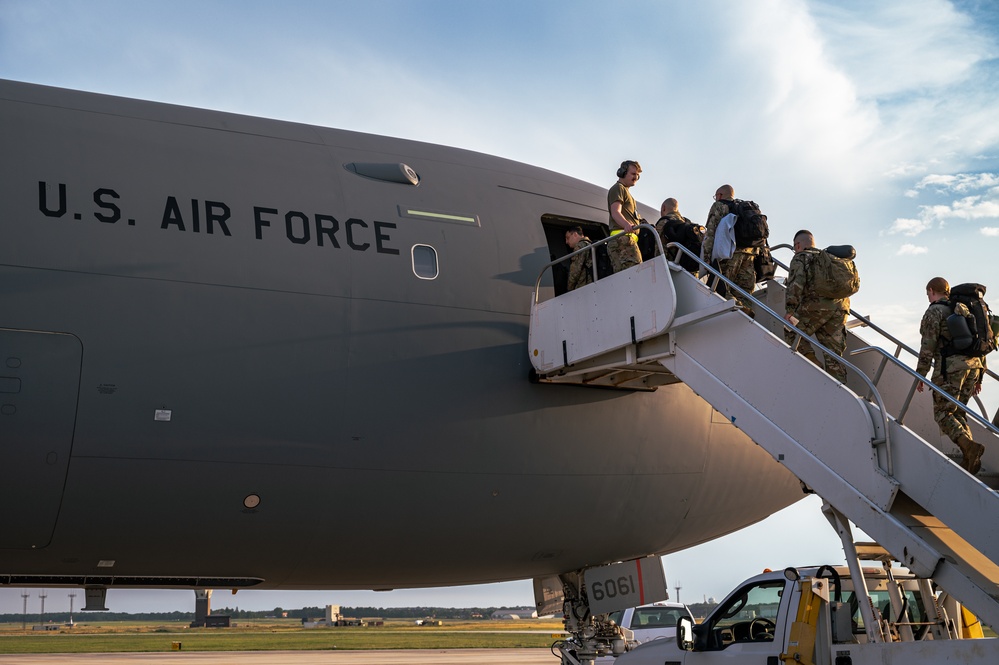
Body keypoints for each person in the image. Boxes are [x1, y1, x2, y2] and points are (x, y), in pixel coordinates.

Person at [915, 277, 986, 474]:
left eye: (927, 293)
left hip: (950, 369)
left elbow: (927, 348)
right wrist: (980, 376)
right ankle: (969, 456)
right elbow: (980, 342)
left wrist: (920, 376)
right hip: (974, 366)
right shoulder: (964, 308)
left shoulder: (934, 311)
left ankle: (969, 448)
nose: (928, 297)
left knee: (943, 413)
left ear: (931, 290)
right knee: (958, 412)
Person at [783, 230, 848, 383]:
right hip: (841, 307)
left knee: (791, 331)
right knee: (833, 354)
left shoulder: (801, 258)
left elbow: (796, 284)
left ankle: (814, 366)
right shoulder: (829, 258)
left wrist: (790, 310)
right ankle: (840, 389)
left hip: (816, 307)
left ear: (798, 245)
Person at [701, 184, 759, 314]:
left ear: (720, 195)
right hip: (750, 255)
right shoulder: (744, 208)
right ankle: (746, 313)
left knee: (723, 289)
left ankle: (737, 312)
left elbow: (710, 232)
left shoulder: (720, 206)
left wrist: (706, 258)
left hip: (731, 253)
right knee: (744, 291)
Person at [606, 160, 644, 274]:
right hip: (622, 240)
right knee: (637, 274)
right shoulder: (618, 188)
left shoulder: (626, 192)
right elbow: (615, 212)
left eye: (638, 175)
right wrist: (626, 224)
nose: (636, 177)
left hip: (626, 239)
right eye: (633, 174)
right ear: (622, 172)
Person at [655, 198, 703, 276]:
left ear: (663, 207)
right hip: (688, 269)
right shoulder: (687, 222)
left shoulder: (664, 222)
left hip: (671, 268)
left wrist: (658, 268)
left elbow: (659, 248)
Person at [565, 226, 593, 291]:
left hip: (583, 287)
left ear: (575, 234)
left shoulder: (579, 246)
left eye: (568, 238)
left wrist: (569, 288)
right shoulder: (589, 244)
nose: (566, 242)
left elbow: (575, 271)